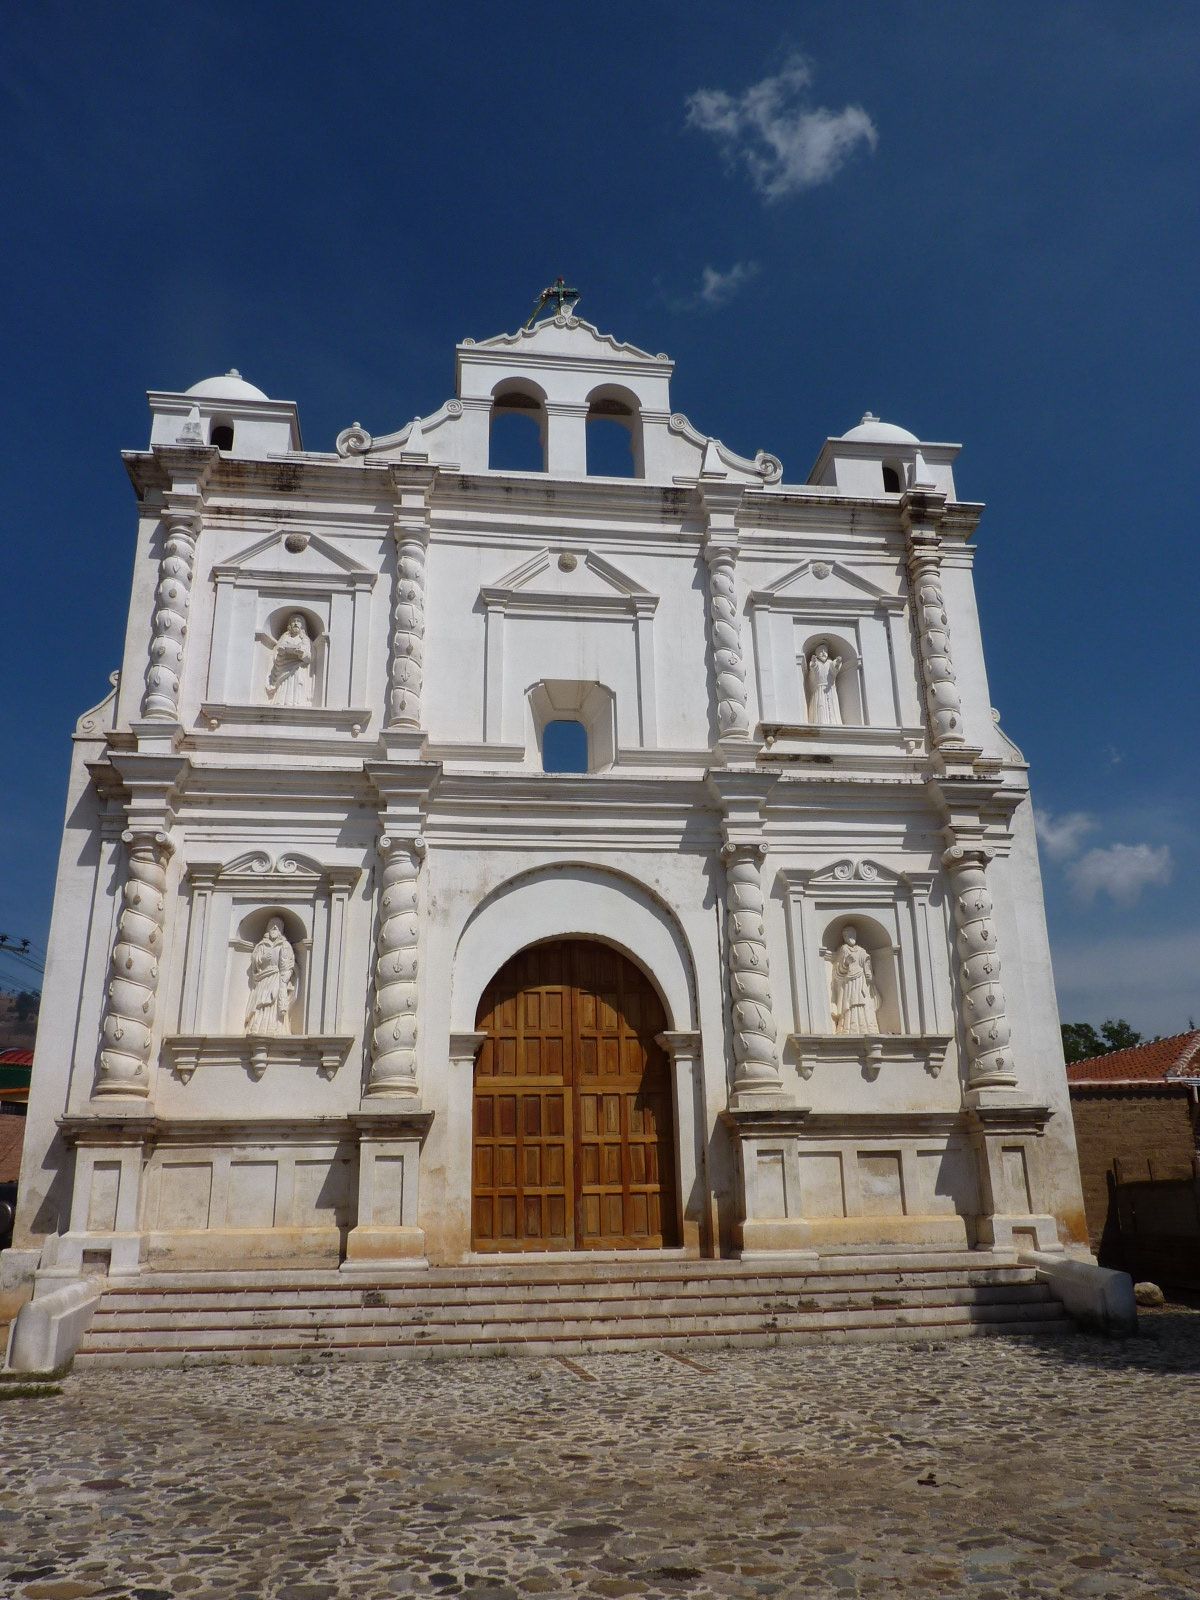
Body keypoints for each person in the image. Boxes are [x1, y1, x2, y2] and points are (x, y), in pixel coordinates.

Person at [822, 924, 881, 1035]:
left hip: (862, 982)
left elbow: (868, 967)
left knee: (864, 1003)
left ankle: (867, 1028)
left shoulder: (862, 951)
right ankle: (848, 1029)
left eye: (851, 934)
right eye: (846, 935)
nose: (849, 937)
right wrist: (846, 963)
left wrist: (869, 976)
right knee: (851, 1004)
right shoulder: (843, 949)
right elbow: (837, 971)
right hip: (849, 982)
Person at [245, 917, 297, 1037]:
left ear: (281, 930)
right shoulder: (262, 945)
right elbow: (255, 961)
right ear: (268, 928)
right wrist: (263, 958)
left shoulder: (285, 945)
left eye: (277, 926)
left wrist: (284, 980)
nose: (274, 928)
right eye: (272, 925)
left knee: (273, 1000)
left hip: (277, 977)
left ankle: (274, 1027)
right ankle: (256, 1027)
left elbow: (289, 964)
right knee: (260, 1001)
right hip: (263, 979)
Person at [267, 614, 314, 707]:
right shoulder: (285, 638)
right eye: (293, 621)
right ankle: (281, 702)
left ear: (302, 625)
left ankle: (297, 702)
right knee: (284, 685)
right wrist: (281, 652)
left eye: (298, 621)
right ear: (290, 625)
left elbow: (309, 657)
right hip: (284, 668)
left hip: (298, 668)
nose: (296, 623)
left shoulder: (305, 639)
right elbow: (276, 655)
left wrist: (301, 653)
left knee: (297, 684)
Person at [805, 642, 843, 725]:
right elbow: (814, 670)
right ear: (817, 654)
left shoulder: (830, 662)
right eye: (821, 651)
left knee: (833, 708)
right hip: (819, 690)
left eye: (825, 651)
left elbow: (835, 668)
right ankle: (820, 721)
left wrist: (838, 662)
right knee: (820, 706)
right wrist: (814, 663)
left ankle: (835, 722)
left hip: (830, 689)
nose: (823, 653)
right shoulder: (816, 663)